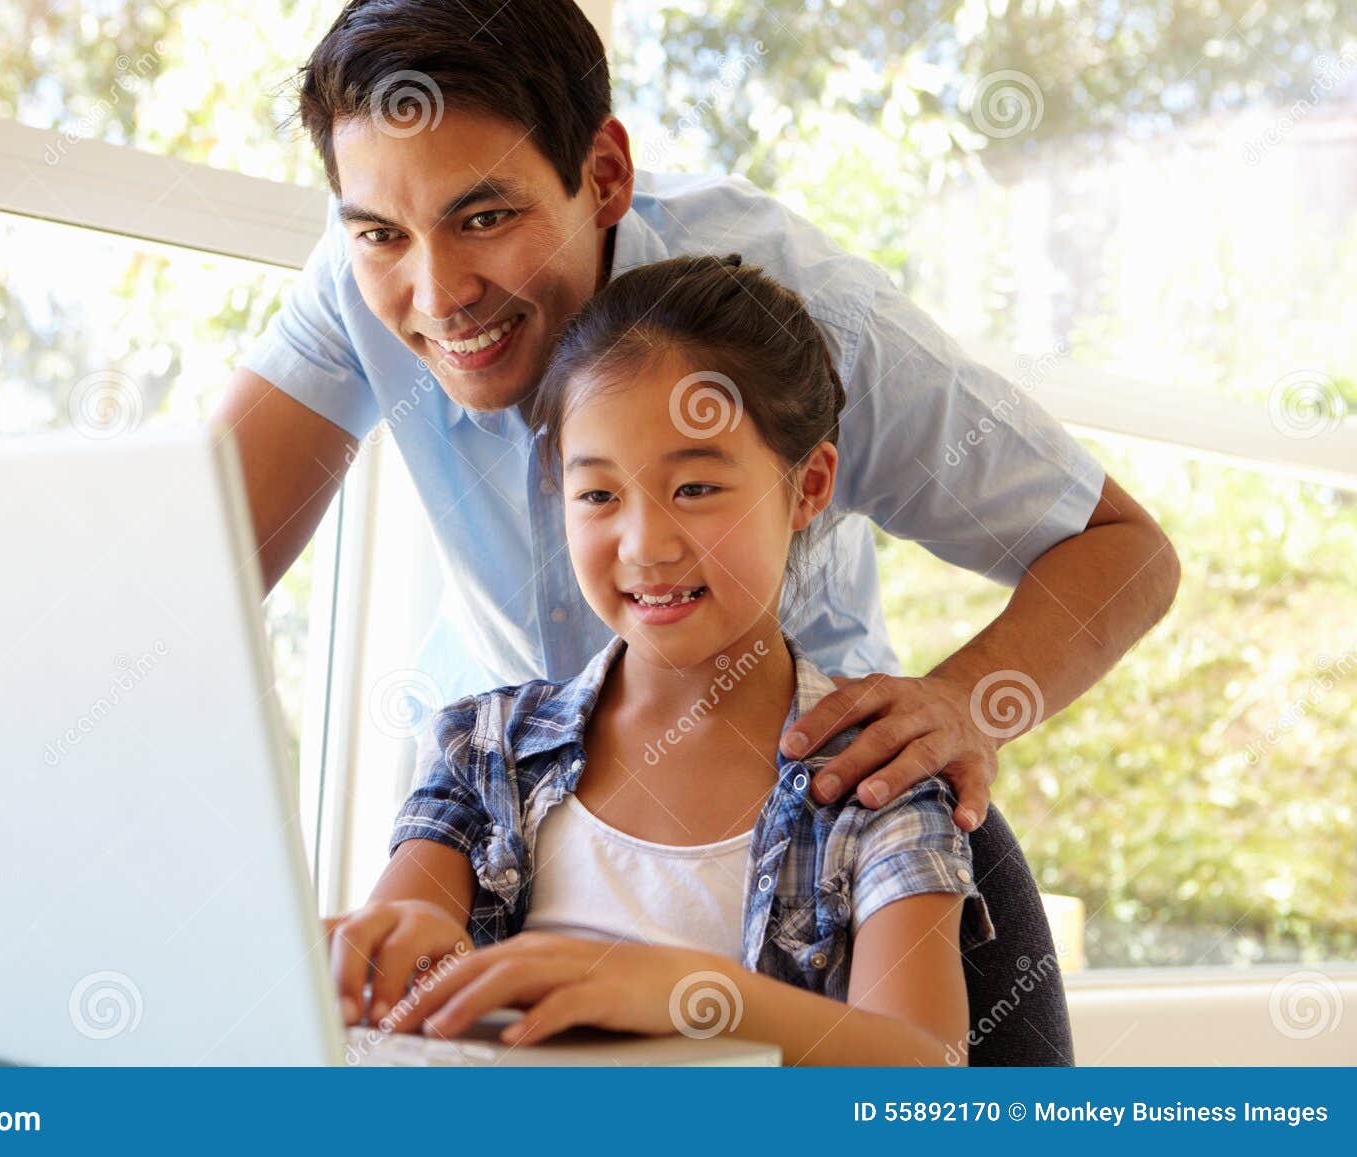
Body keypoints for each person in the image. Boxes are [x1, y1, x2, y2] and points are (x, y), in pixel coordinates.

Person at [216, 0, 1180, 1063]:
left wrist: (961, 702)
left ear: (605, 175)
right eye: (383, 234)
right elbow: (191, 574)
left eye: (486, 217)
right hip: (537, 836)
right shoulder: (481, 760)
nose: (437, 292)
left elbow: (1120, 548)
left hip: (830, 818)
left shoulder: (802, 320)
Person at [327, 254, 996, 1066]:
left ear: (809, 483)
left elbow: (927, 1076)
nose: (644, 545)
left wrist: (692, 997)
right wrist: (400, 946)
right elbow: (393, 964)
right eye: (599, 495)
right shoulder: (486, 748)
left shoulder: (874, 783)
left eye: (695, 489)